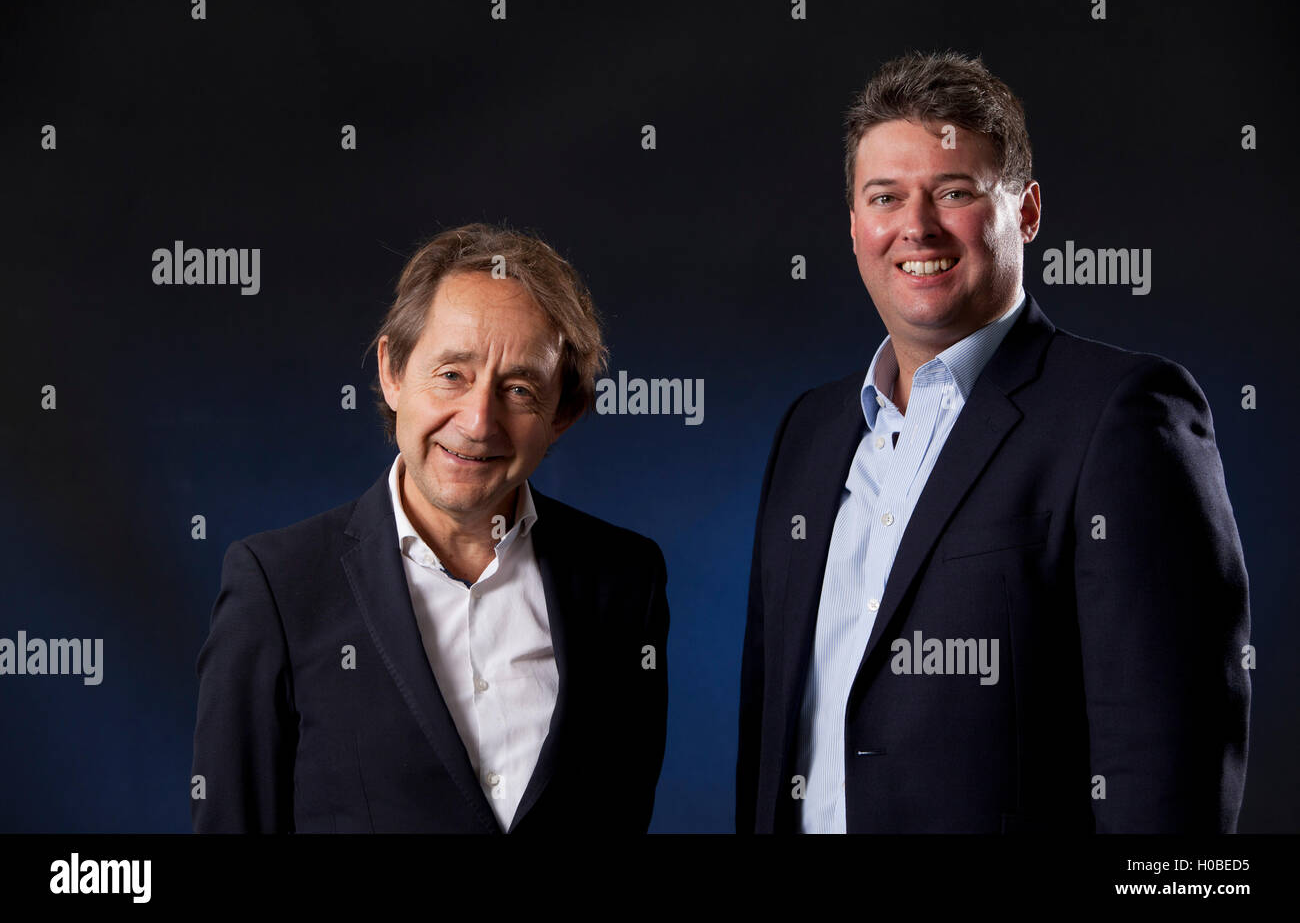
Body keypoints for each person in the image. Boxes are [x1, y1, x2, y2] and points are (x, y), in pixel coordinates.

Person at [736, 51, 1250, 833]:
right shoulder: (809, 431)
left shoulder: (1122, 415)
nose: (916, 226)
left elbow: (1169, 754)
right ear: (853, 224)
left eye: (953, 191)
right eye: (885, 196)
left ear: (1027, 211)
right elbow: (778, 725)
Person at [193, 223, 669, 833]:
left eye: (519, 389)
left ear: (563, 414)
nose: (476, 422)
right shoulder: (279, 587)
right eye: (452, 374)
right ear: (393, 372)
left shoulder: (626, 582)